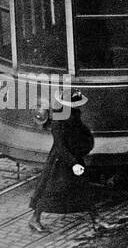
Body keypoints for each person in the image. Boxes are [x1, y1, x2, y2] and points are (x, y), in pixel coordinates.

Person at [28, 91, 104, 234]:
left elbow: (82, 132)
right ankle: (35, 218)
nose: (77, 107)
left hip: (73, 157)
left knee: (83, 188)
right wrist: (73, 163)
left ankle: (96, 219)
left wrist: (84, 145)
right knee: (51, 191)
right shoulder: (58, 122)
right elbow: (60, 146)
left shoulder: (74, 115)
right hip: (60, 161)